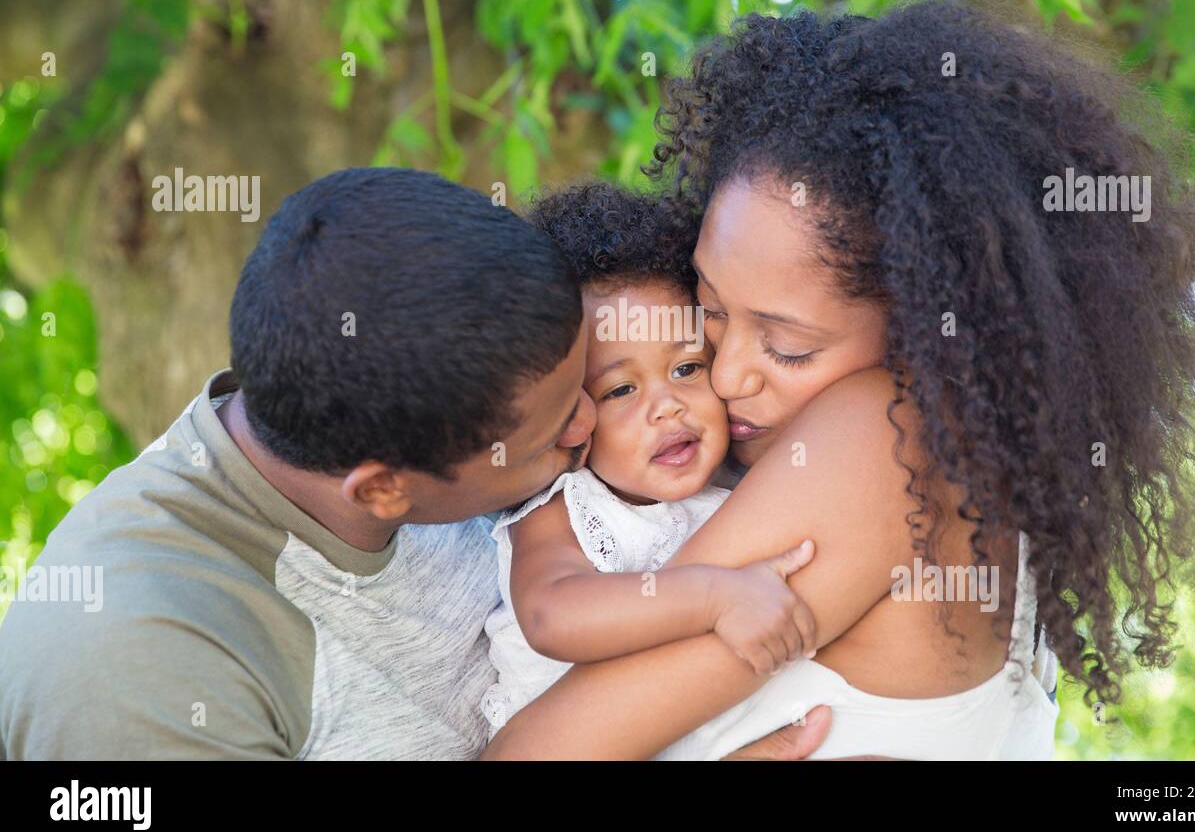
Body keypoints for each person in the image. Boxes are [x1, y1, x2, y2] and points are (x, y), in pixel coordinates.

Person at [483, 0, 1195, 759]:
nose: (728, 374)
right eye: (709, 308)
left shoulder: (882, 435)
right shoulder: (985, 498)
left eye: (788, 347)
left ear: (923, 330)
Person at [0, 167, 833, 759]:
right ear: (385, 488)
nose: (588, 428)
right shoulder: (135, 676)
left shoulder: (413, 361)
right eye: (555, 430)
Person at [480, 183, 819, 740]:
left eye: (687, 369)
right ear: (571, 409)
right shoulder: (566, 508)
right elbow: (551, 615)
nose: (667, 408)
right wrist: (715, 598)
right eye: (620, 390)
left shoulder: (737, 481)